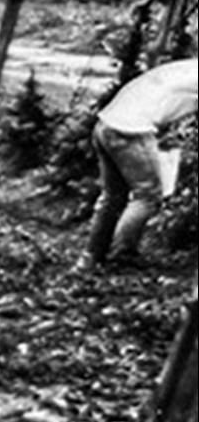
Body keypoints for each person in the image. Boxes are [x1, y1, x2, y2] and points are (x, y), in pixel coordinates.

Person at [83, 57, 197, 270]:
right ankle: (121, 255)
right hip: (131, 130)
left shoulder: (187, 68)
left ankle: (91, 257)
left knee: (113, 197)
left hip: (106, 125)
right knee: (148, 195)